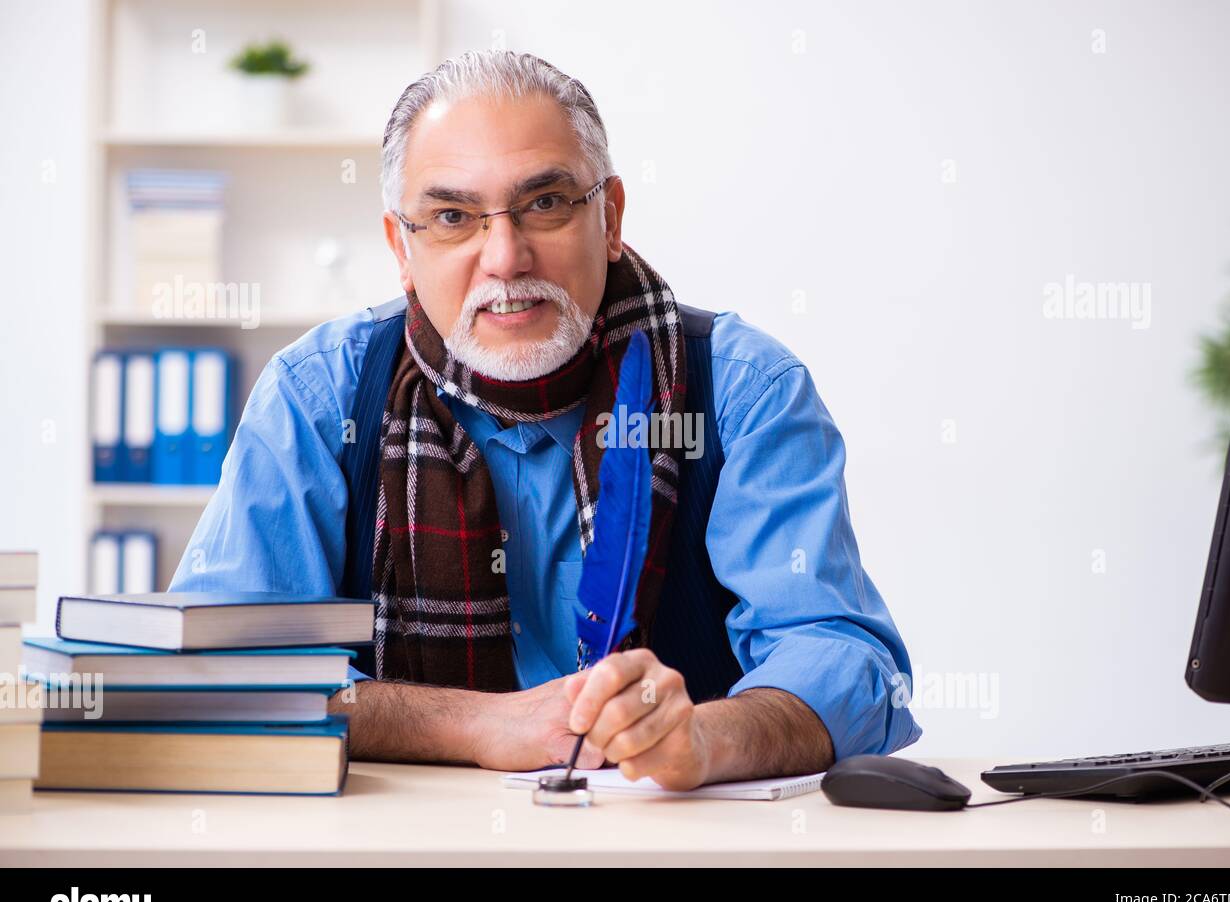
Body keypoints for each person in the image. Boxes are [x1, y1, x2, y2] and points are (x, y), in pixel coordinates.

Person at [171, 50, 921, 790]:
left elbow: (851, 667)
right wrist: (473, 723)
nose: (504, 256)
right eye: (453, 216)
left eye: (545, 203)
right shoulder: (317, 398)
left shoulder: (745, 392)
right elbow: (217, 674)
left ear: (611, 215)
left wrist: (704, 739)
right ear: (402, 247)